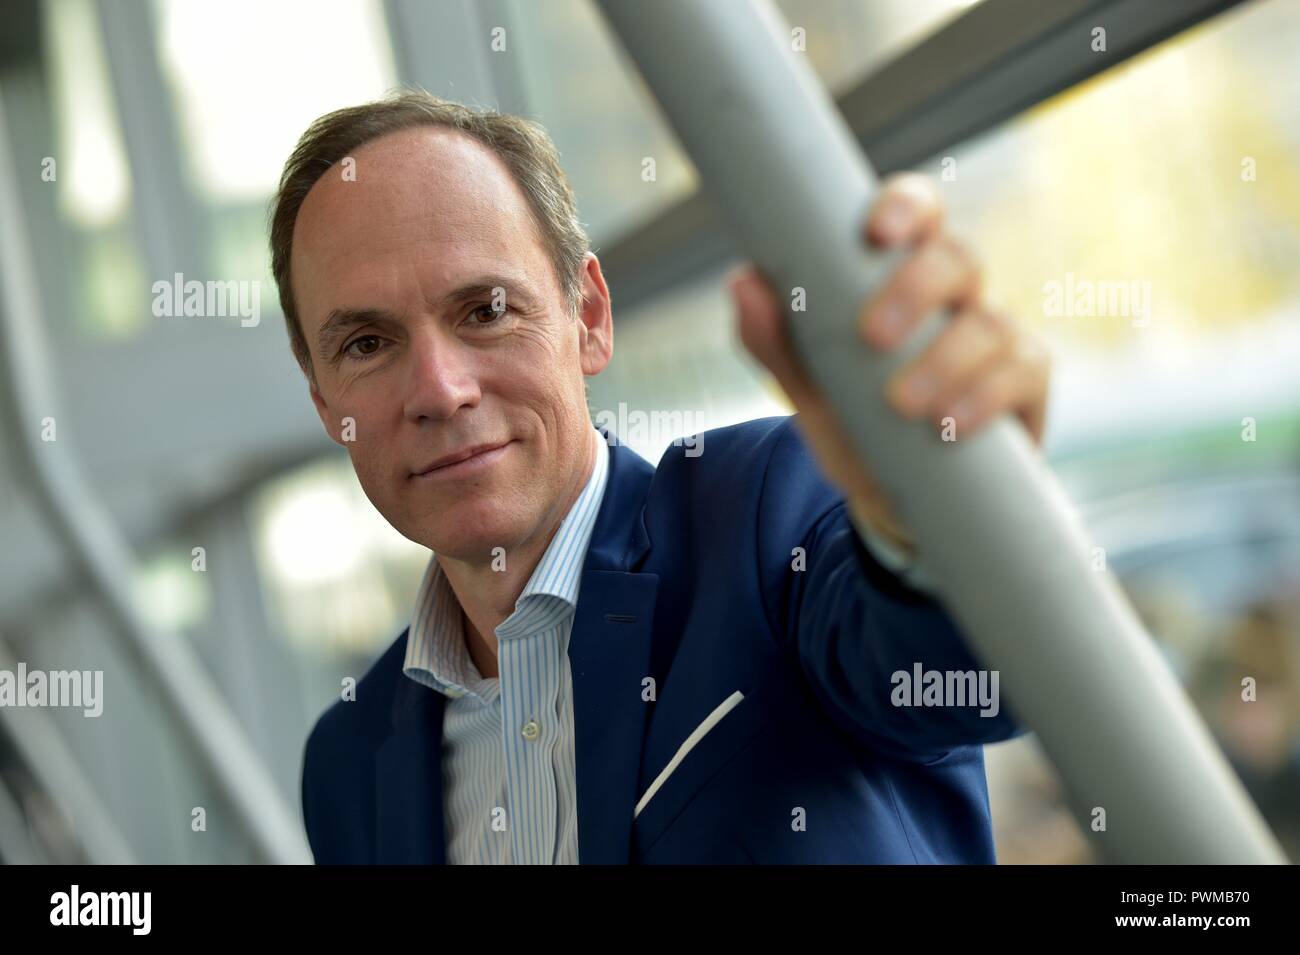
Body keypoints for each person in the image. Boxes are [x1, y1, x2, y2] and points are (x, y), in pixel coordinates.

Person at [274, 91, 1051, 863]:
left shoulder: (763, 520)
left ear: (589, 319)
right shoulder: (347, 766)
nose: (441, 390)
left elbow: (974, 669)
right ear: (324, 402)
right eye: (368, 343)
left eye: (486, 309)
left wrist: (935, 500)